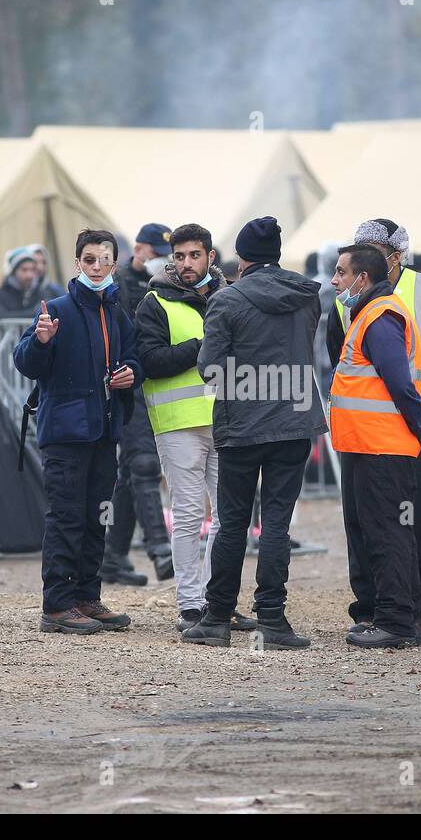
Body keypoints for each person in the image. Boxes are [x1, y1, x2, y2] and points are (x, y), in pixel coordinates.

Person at [181, 216, 326, 650]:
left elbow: (209, 368)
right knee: (277, 525)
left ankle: (217, 617)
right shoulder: (306, 296)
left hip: (242, 425)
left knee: (232, 524)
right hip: (295, 419)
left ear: (241, 258)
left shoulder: (228, 301)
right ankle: (274, 621)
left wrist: (244, 379)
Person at [326, 218, 421, 641]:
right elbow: (345, 366)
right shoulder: (353, 305)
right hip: (376, 436)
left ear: (390, 259)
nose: (334, 281)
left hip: (399, 435)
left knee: (407, 524)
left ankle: (407, 615)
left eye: (343, 272)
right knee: (371, 525)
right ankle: (378, 609)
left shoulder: (405, 301)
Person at [12, 230, 140, 635]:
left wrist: (131, 374)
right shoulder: (57, 309)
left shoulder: (118, 313)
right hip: (66, 433)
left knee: (96, 517)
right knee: (67, 517)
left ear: (114, 264)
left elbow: (134, 358)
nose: (97, 267)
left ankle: (87, 596)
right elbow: (25, 361)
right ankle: (57, 605)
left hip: (104, 431)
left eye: (104, 260)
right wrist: (42, 341)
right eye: (89, 260)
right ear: (78, 263)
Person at [137, 222, 258, 634]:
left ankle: (217, 602)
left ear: (210, 257)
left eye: (194, 255)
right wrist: (204, 345)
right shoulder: (154, 302)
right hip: (179, 425)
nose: (186, 263)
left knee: (229, 516)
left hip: (226, 420)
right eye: (180, 256)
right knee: (189, 516)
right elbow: (151, 361)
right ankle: (190, 604)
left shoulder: (232, 298)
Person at [102, 222, 175, 586]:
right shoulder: (117, 288)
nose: (162, 264)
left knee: (132, 474)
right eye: (158, 256)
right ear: (141, 251)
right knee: (143, 465)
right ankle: (160, 548)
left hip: (155, 384)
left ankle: (112, 557)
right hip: (126, 387)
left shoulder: (166, 286)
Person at [0, 246, 46, 322]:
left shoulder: (40, 292)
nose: (29, 275)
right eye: (24, 270)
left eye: (32, 269)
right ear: (13, 272)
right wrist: (34, 313)